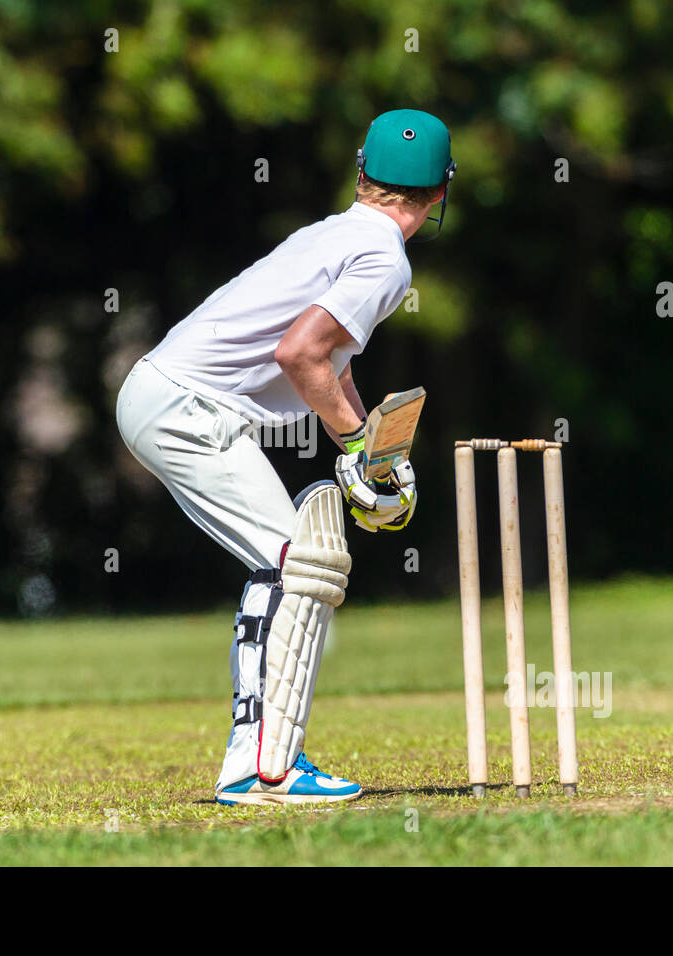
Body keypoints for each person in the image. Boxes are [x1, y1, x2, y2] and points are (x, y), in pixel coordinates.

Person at [116, 109, 456, 805]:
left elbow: (329, 361)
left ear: (362, 172)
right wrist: (361, 449)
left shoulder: (336, 233)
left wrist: (373, 454)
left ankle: (266, 760)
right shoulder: (387, 257)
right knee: (296, 565)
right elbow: (297, 353)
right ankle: (261, 768)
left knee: (293, 563)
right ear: (442, 193)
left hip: (168, 396)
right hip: (188, 408)